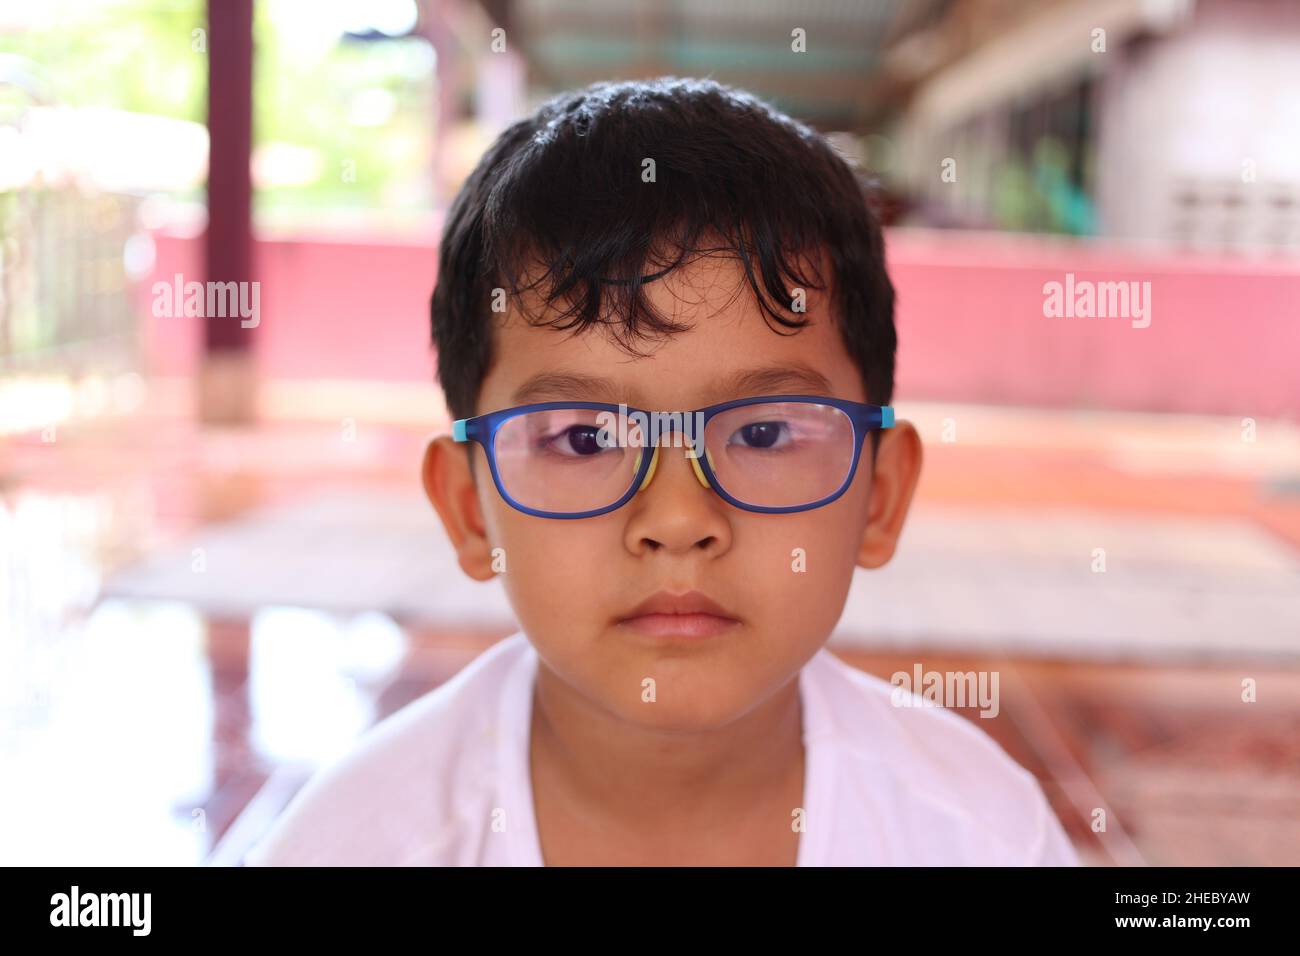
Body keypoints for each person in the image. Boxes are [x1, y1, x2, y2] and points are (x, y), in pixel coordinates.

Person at [244, 77, 1079, 867]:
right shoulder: (353, 844)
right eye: (581, 439)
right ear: (469, 508)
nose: (677, 518)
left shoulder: (982, 836)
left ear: (881, 496)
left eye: (761, 432)